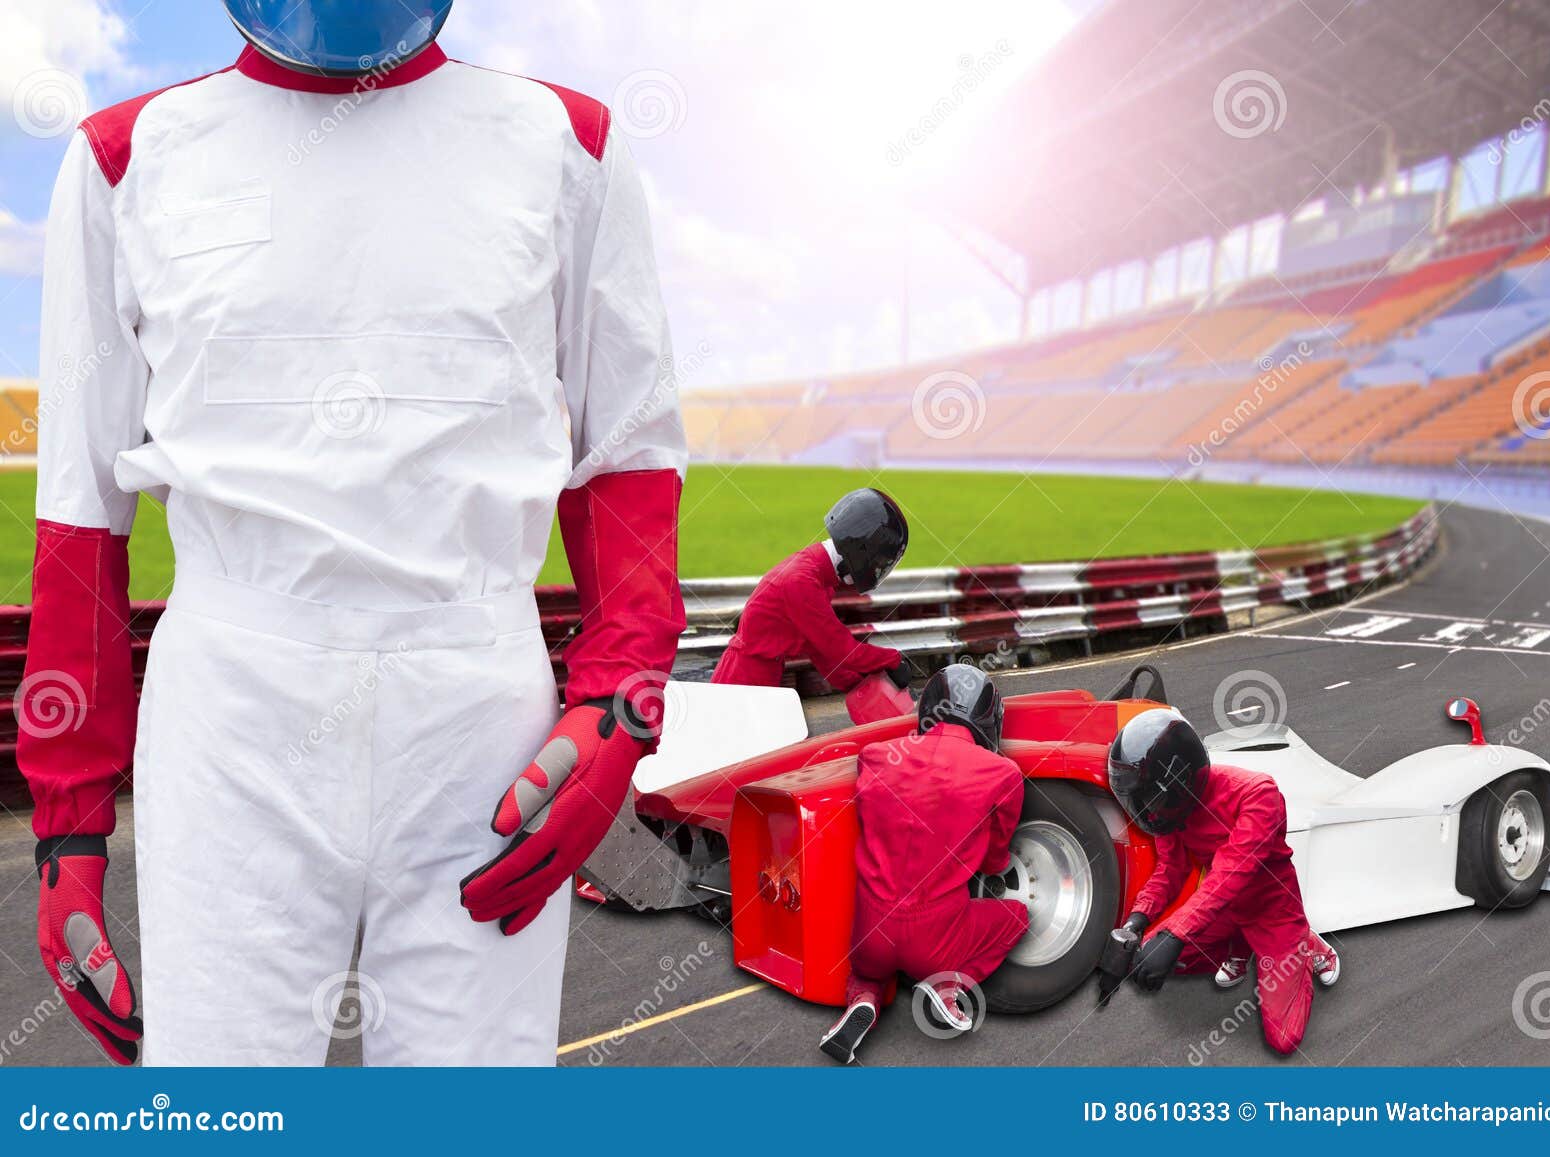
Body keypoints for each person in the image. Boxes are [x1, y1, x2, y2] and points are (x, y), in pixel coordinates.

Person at [21, 0, 685, 1065]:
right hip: (234, 715)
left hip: (481, 725)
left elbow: (630, 452)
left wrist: (621, 698)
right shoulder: (124, 157)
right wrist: (69, 820)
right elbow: (81, 506)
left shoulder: (568, 145)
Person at [819, 664, 1030, 1064]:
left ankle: (862, 998)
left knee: (867, 969)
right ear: (987, 718)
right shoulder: (1003, 774)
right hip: (935, 941)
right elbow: (993, 860)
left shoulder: (875, 757)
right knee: (1016, 916)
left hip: (871, 935)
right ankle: (948, 985)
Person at [1104, 709, 1339, 1056]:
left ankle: (1305, 943)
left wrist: (1174, 933)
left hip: (1272, 908)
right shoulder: (1169, 812)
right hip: (1225, 910)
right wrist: (1136, 923)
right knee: (1147, 958)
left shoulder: (1258, 795)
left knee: (1284, 1039)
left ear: (1178, 781)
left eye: (1148, 798)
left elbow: (1231, 873)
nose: (1144, 811)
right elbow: (1169, 870)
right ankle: (1239, 947)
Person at [712, 488, 912, 693]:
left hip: (756, 677)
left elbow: (820, 650)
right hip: (743, 682)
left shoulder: (816, 576)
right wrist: (891, 660)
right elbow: (839, 648)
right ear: (862, 550)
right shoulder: (802, 582)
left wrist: (856, 685)